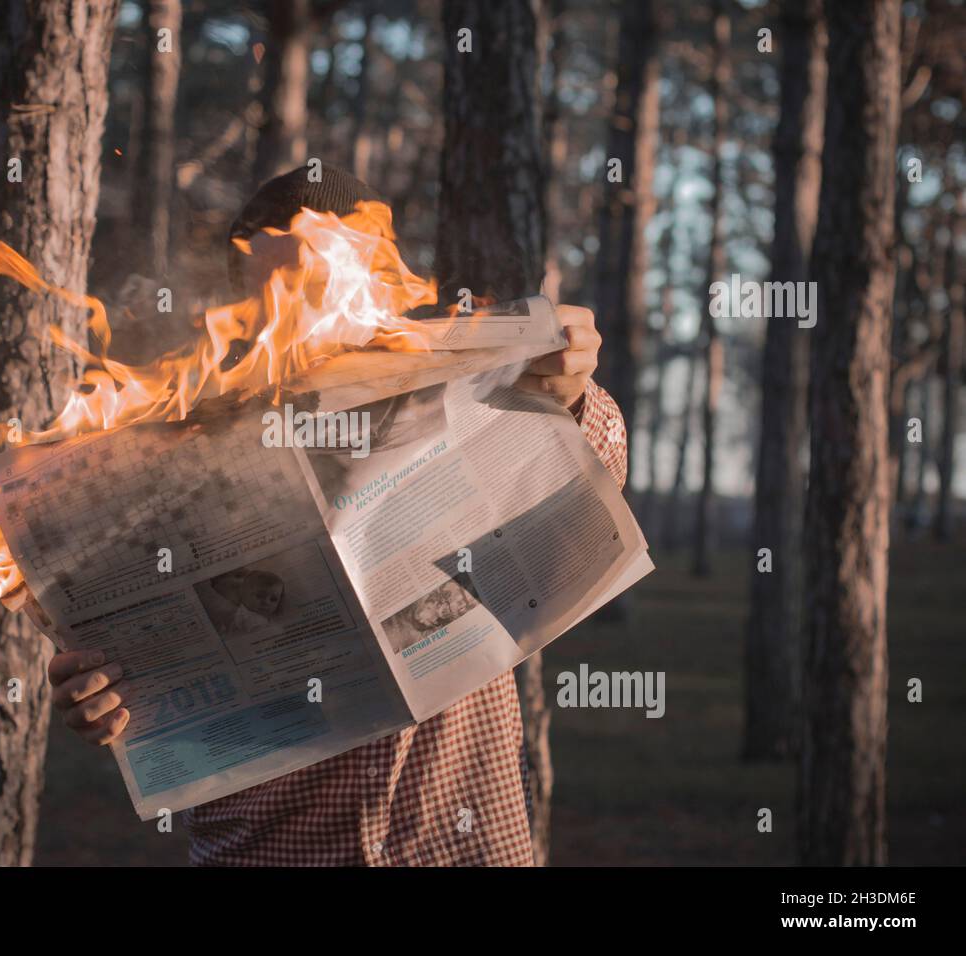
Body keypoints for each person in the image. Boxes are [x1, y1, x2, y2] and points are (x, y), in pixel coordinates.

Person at [46, 166, 627, 866]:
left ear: (379, 280)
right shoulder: (181, 458)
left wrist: (568, 392)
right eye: (276, 297)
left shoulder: (465, 385)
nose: (305, 317)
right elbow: (135, 671)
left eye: (325, 287)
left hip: (457, 843)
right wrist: (104, 694)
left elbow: (601, 469)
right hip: (267, 853)